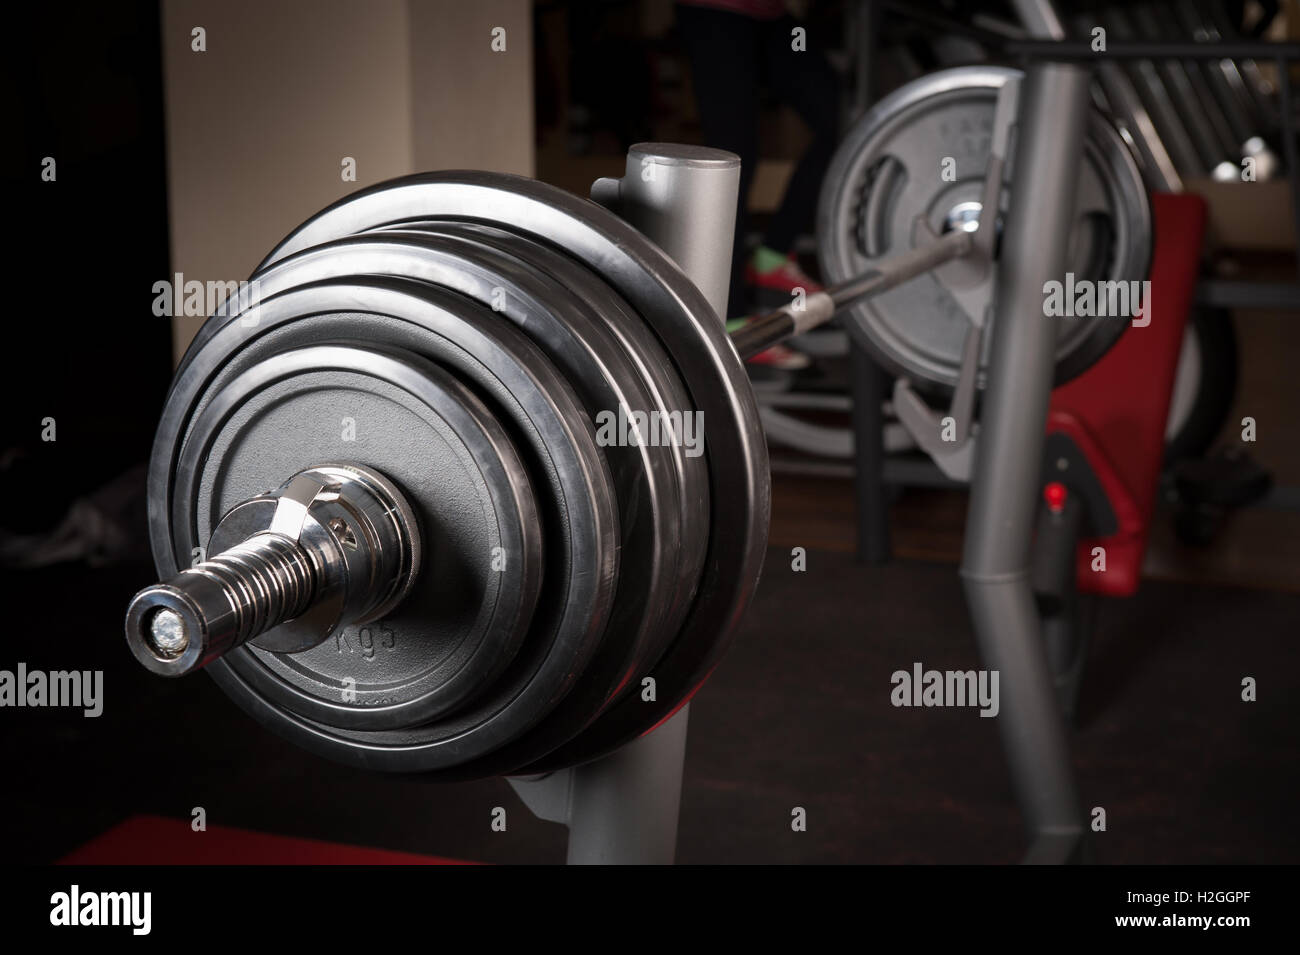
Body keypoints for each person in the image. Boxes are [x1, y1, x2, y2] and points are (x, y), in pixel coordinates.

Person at [677, 0, 841, 368]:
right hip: (716, 11)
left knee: (839, 118)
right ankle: (733, 323)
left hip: (770, 15)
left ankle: (772, 256)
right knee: (734, 158)